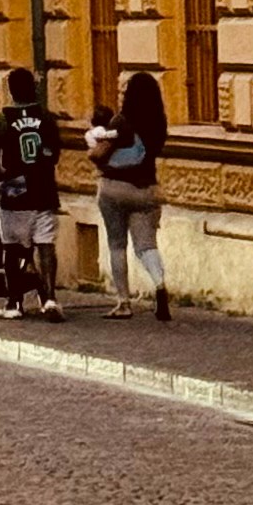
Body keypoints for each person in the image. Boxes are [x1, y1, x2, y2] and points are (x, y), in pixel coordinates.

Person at [89, 66, 171, 321]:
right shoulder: (158, 124)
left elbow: (100, 153)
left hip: (113, 189)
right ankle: (160, 286)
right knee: (146, 245)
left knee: (117, 245)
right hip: (146, 189)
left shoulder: (120, 121)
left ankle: (123, 302)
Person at [0, 65, 63, 317]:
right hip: (44, 191)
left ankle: (13, 303)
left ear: (10, 90)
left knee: (12, 248)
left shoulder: (0, 120)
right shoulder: (47, 117)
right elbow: (54, 154)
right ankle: (49, 299)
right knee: (46, 245)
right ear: (34, 88)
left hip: (14, 193)